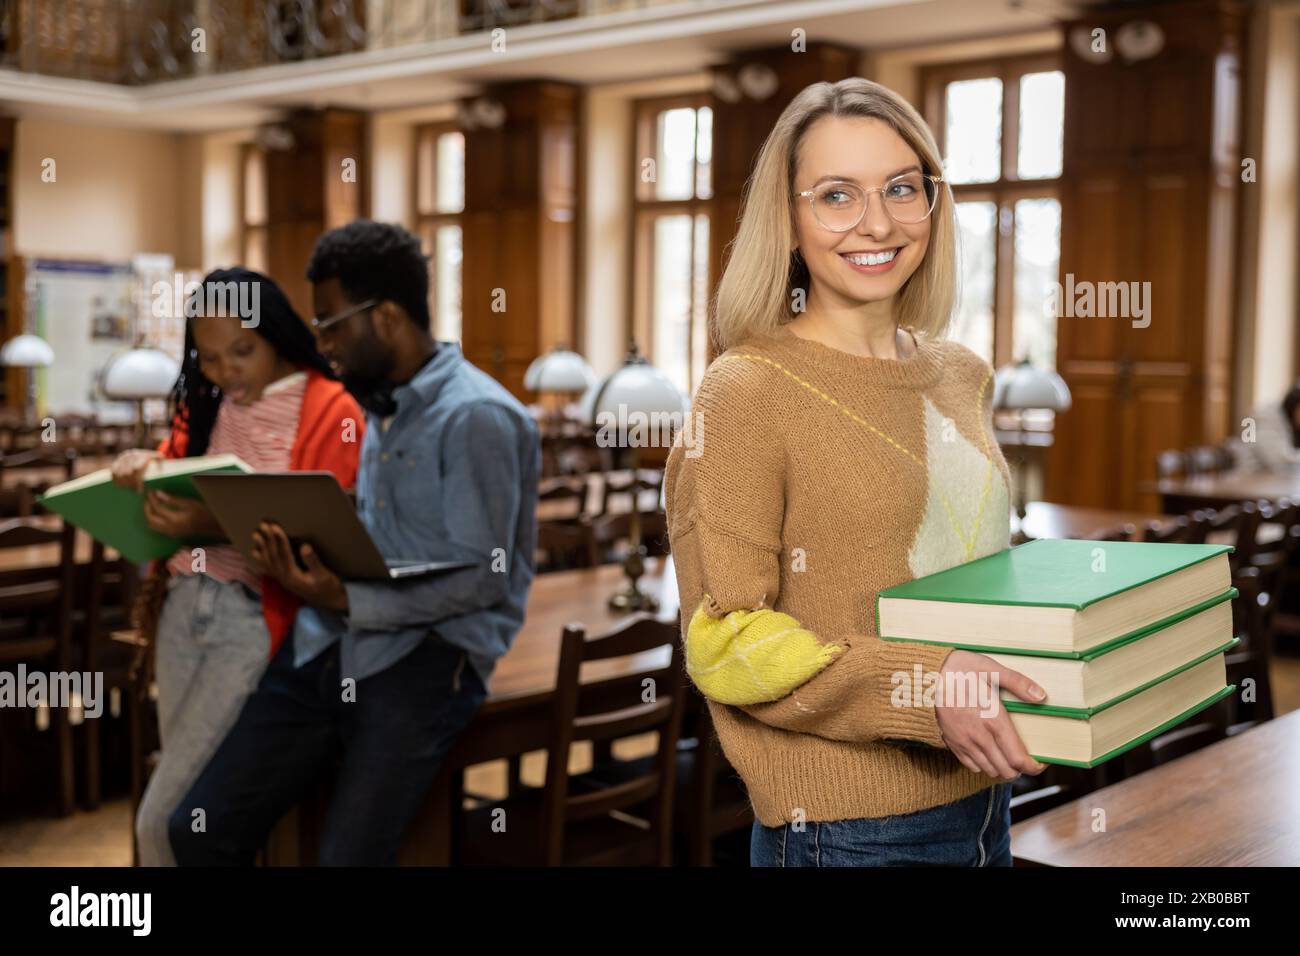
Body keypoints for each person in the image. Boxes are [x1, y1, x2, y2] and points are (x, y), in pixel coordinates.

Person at [664, 78, 1048, 868]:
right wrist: (926, 686)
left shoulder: (959, 374)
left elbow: (971, 569)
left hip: (987, 798)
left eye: (902, 188)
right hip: (848, 831)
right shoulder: (746, 391)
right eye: (837, 195)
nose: (878, 223)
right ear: (787, 219)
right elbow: (725, 643)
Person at [168, 220, 540, 866]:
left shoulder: (476, 417)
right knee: (197, 830)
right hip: (329, 637)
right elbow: (387, 533)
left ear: (387, 317)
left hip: (428, 660)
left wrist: (344, 596)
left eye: (331, 325)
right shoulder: (377, 400)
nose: (322, 343)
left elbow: (484, 578)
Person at [110, 268, 364, 866]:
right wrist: (142, 468)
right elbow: (172, 470)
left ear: (275, 335)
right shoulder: (206, 403)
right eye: (211, 358)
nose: (227, 371)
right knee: (193, 802)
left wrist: (210, 522)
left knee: (164, 819)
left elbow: (324, 537)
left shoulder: (332, 408)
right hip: (181, 607)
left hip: (252, 621)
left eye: (243, 351)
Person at [1229, 383, 1300, 471]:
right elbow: (1277, 459)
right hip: (1250, 473)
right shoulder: (1267, 417)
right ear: (1294, 405)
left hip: (1269, 475)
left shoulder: (1290, 422)